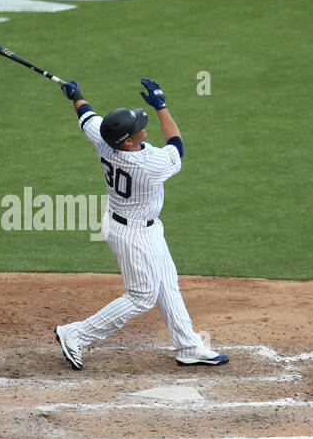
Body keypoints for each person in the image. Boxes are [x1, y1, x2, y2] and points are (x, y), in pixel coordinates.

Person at [53, 78, 228, 370]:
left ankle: (188, 346)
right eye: (136, 127)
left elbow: (87, 116)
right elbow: (177, 145)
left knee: (167, 284)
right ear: (129, 141)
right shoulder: (149, 164)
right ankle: (75, 334)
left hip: (142, 227)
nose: (141, 126)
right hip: (131, 233)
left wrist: (76, 95)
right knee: (142, 296)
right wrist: (161, 106)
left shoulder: (104, 141)